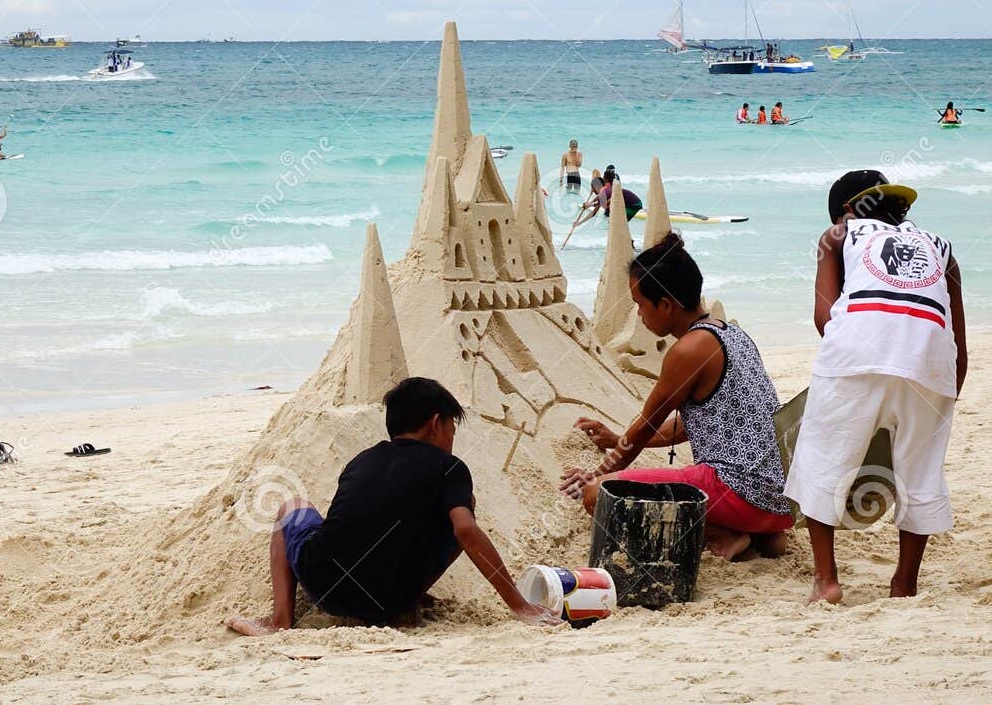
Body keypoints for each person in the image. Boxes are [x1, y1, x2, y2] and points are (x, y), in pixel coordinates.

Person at [226, 377, 561, 635]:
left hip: (323, 583)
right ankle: (405, 602)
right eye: (451, 429)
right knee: (464, 510)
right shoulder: (451, 468)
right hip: (386, 603)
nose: (452, 439)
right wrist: (519, 605)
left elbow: (355, 524)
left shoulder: (361, 461)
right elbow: (465, 530)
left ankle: (280, 619)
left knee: (293, 505)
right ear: (435, 424)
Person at [785, 170, 968, 605]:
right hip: (932, 362)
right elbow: (957, 336)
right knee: (919, 471)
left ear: (848, 210)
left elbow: (823, 317)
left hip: (857, 354)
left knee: (820, 459)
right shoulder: (941, 247)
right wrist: (948, 389)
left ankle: (826, 582)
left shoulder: (837, 235)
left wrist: (856, 349)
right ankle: (904, 584)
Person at [560, 234, 793, 560]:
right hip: (778, 499)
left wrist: (598, 475)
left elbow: (644, 426)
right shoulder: (733, 334)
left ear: (666, 305)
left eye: (641, 304)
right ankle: (758, 535)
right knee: (758, 528)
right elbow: (690, 426)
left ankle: (724, 531)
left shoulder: (688, 350)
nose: (639, 314)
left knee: (596, 496)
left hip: (734, 490)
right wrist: (615, 439)